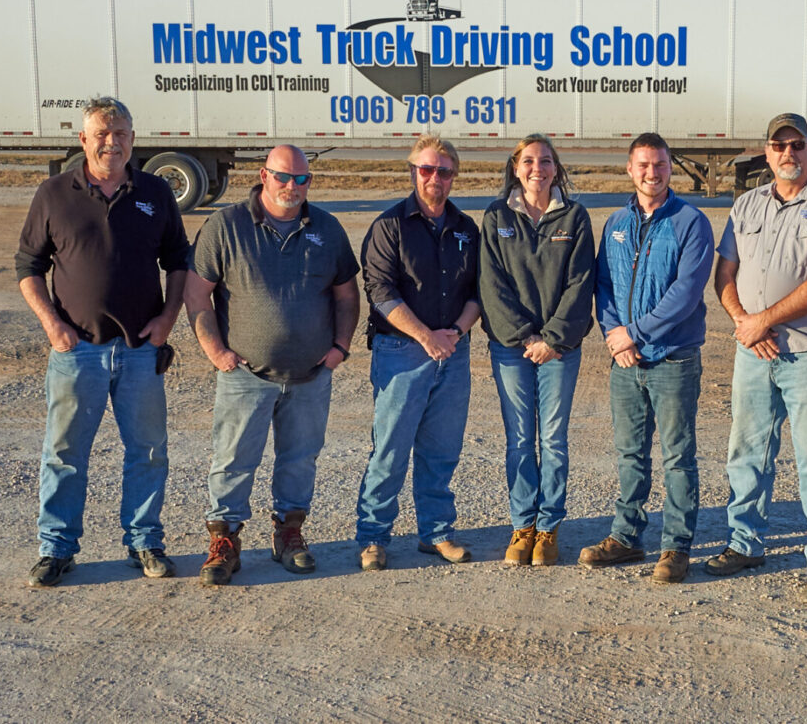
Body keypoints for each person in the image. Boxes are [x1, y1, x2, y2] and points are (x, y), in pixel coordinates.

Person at [15, 97, 189, 587]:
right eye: (103, 134)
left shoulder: (154, 191)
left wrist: (167, 321)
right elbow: (29, 266)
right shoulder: (54, 194)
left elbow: (179, 260)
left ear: (133, 138)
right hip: (77, 352)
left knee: (149, 451)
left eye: (122, 134)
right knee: (65, 452)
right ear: (84, 139)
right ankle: (56, 549)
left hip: (139, 351)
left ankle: (144, 542)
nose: (113, 142)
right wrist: (52, 325)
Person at [185, 145, 361, 586]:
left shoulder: (327, 229)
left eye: (302, 179)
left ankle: (290, 533)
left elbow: (347, 295)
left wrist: (340, 346)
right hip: (246, 375)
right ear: (264, 175)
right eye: (283, 177)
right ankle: (225, 540)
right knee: (233, 459)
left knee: (300, 459)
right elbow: (196, 294)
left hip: (310, 375)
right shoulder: (226, 226)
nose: (292, 186)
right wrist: (216, 352)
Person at [705, 113, 807, 604]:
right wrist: (743, 323)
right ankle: (745, 542)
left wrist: (762, 319)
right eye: (778, 145)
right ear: (766, 152)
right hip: (752, 349)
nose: (788, 153)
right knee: (747, 453)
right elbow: (724, 273)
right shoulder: (747, 204)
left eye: (797, 144)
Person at [579, 132, 715, 585]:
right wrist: (616, 338)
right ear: (629, 169)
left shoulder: (691, 222)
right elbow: (604, 284)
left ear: (670, 168)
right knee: (630, 454)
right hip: (626, 362)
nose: (651, 173)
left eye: (659, 164)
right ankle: (627, 536)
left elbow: (686, 292)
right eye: (643, 165)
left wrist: (633, 334)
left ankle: (676, 547)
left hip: (673, 359)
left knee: (678, 456)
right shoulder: (615, 222)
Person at [355, 135, 481, 571]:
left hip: (453, 352)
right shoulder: (389, 226)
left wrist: (455, 334)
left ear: (454, 177)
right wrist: (427, 336)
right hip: (402, 351)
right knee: (390, 449)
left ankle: (437, 532)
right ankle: (373, 536)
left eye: (444, 171)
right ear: (412, 172)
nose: (435, 178)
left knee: (441, 449)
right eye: (426, 169)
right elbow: (379, 290)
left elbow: (478, 292)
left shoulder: (467, 228)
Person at [478, 135, 596, 567]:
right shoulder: (496, 216)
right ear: (515, 167)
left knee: (553, 439)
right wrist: (526, 337)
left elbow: (581, 283)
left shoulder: (574, 217)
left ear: (556, 168)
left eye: (545, 161)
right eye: (528, 161)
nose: (537, 168)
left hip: (560, 349)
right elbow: (490, 283)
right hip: (512, 348)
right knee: (520, 440)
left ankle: (548, 527)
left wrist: (553, 339)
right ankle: (522, 524)